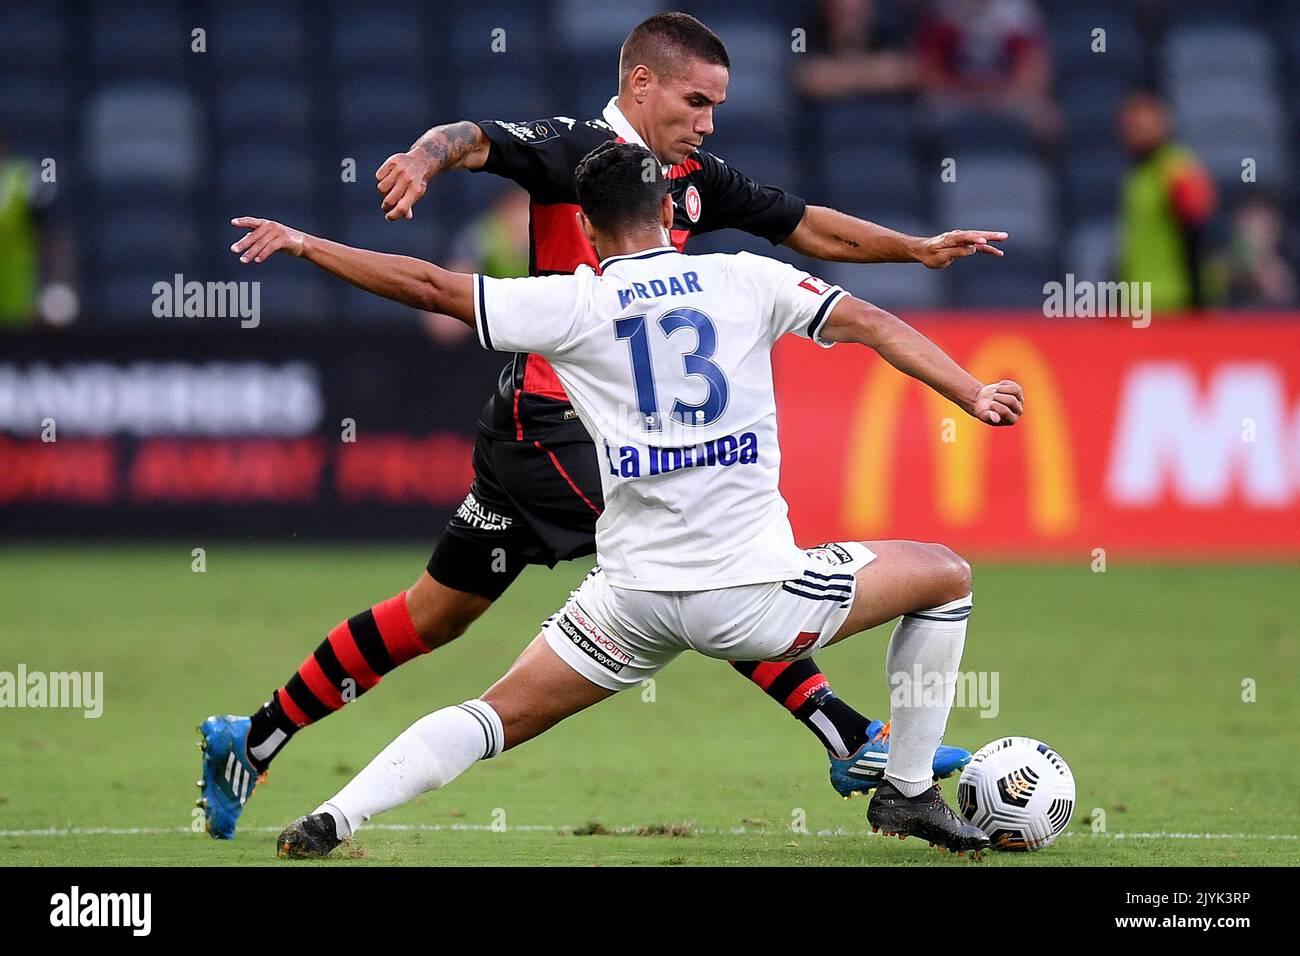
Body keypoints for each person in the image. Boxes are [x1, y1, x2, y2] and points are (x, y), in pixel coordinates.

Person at [199, 12, 1006, 840]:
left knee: (435, 614)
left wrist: (916, 248)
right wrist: (422, 159)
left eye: (717, 107)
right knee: (697, 547)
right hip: (553, 423)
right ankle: (845, 734)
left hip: (571, 434)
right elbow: (471, 138)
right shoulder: (572, 150)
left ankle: (254, 737)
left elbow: (804, 224)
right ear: (642, 83)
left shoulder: (692, 175)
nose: (708, 122)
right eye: (696, 101)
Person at [1116, 90, 1217, 313]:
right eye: (1130, 124)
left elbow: (1196, 235)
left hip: (1174, 302)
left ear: (1163, 122)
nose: (1135, 130)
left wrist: (1197, 303)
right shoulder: (1137, 175)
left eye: (1143, 123)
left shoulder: (1177, 168)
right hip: (1139, 303)